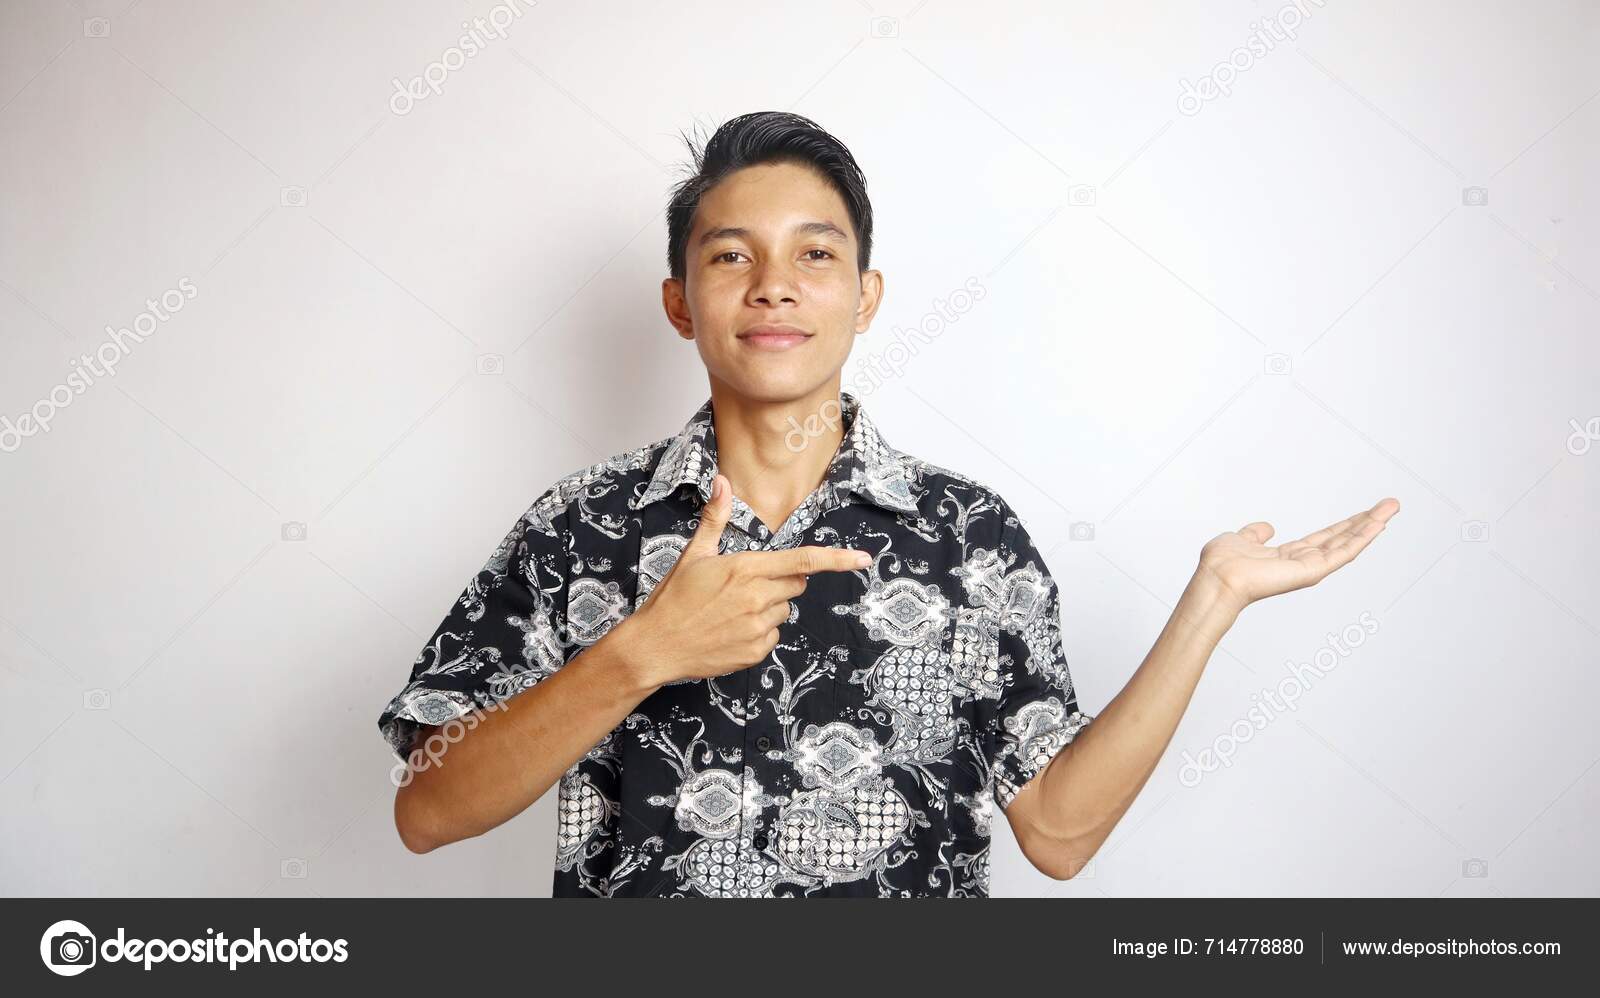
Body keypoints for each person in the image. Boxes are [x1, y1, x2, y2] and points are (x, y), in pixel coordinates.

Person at [376, 110, 1400, 897]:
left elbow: (1056, 828)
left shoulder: (971, 536)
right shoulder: (580, 524)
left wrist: (1210, 601)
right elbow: (428, 808)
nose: (773, 285)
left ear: (864, 295)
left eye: (814, 254)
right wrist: (642, 652)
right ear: (679, 300)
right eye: (731, 254)